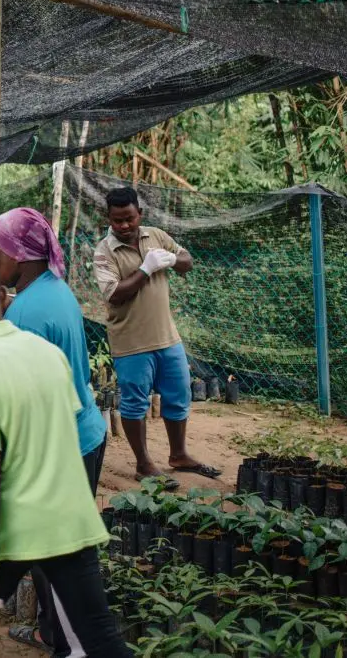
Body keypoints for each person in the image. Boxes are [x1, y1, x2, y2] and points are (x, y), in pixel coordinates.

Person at [0, 241, 131, 658]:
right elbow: (63, 431)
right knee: (101, 638)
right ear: (5, 297)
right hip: (69, 519)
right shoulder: (48, 355)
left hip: (16, 525)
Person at [0, 208, 108, 657]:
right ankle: (52, 633)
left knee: (60, 561)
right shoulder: (52, 290)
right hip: (84, 432)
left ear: (19, 255)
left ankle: (72, 648)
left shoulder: (28, 316)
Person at [92, 187, 218, 491]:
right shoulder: (103, 252)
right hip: (131, 342)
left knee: (179, 395)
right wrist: (146, 269)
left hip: (167, 336)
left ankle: (179, 454)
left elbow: (187, 261)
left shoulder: (156, 236)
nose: (124, 226)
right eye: (117, 220)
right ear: (108, 218)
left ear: (140, 215)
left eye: (129, 219)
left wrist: (173, 259)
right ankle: (144, 463)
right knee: (135, 404)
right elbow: (115, 294)